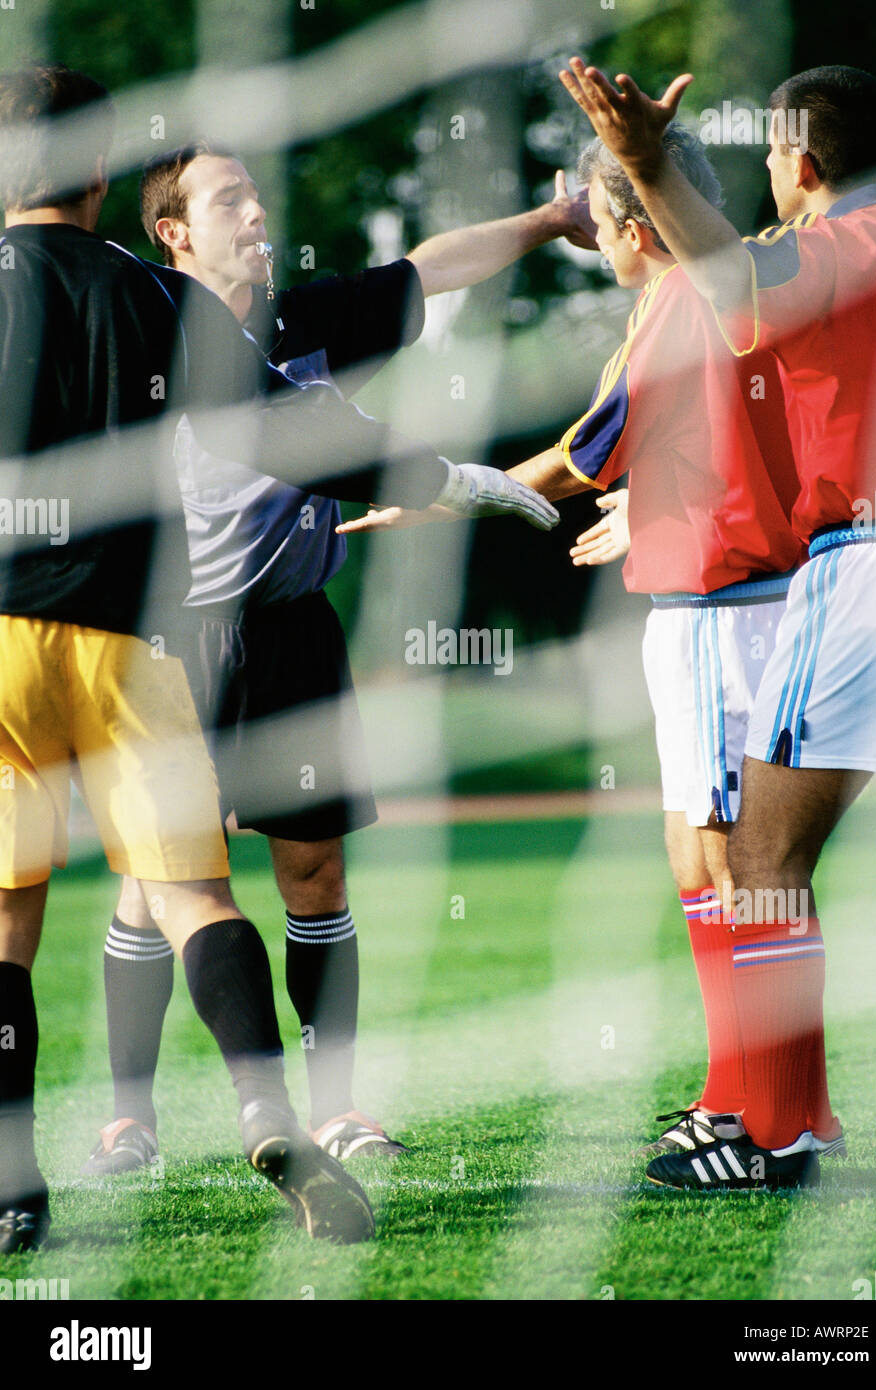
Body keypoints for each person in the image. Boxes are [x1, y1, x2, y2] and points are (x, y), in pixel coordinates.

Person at [0, 63, 555, 1252]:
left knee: (9, 917)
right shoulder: (156, 296)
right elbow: (300, 437)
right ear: (100, 170)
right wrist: (451, 478)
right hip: (134, 640)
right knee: (194, 896)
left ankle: (11, 1186)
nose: (255, 215)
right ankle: (265, 1110)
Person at [340, 124, 848, 1179]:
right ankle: (735, 1093)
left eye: (606, 226)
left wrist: (442, 496)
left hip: (725, 611)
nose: (601, 246)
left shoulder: (680, 299)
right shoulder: (714, 291)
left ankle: (782, 1119)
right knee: (698, 856)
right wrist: (653, 505)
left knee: (740, 865)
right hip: (716, 602)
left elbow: (587, 449)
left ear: (633, 226)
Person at [85, 141, 595, 1174]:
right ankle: (128, 1122)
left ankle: (336, 1114)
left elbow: (430, 268)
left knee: (314, 874)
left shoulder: (305, 321)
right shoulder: (142, 327)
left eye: (255, 193)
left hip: (293, 634)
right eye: (230, 199)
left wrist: (552, 222)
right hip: (171, 644)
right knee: (154, 882)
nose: (257, 212)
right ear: (173, 232)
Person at [559, 57, 876, 1190]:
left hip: (870, 563)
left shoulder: (850, 242)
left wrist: (643, 161)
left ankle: (779, 1130)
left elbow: (729, 279)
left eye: (769, 152)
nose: (765, 171)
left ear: (800, 162)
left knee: (761, 858)